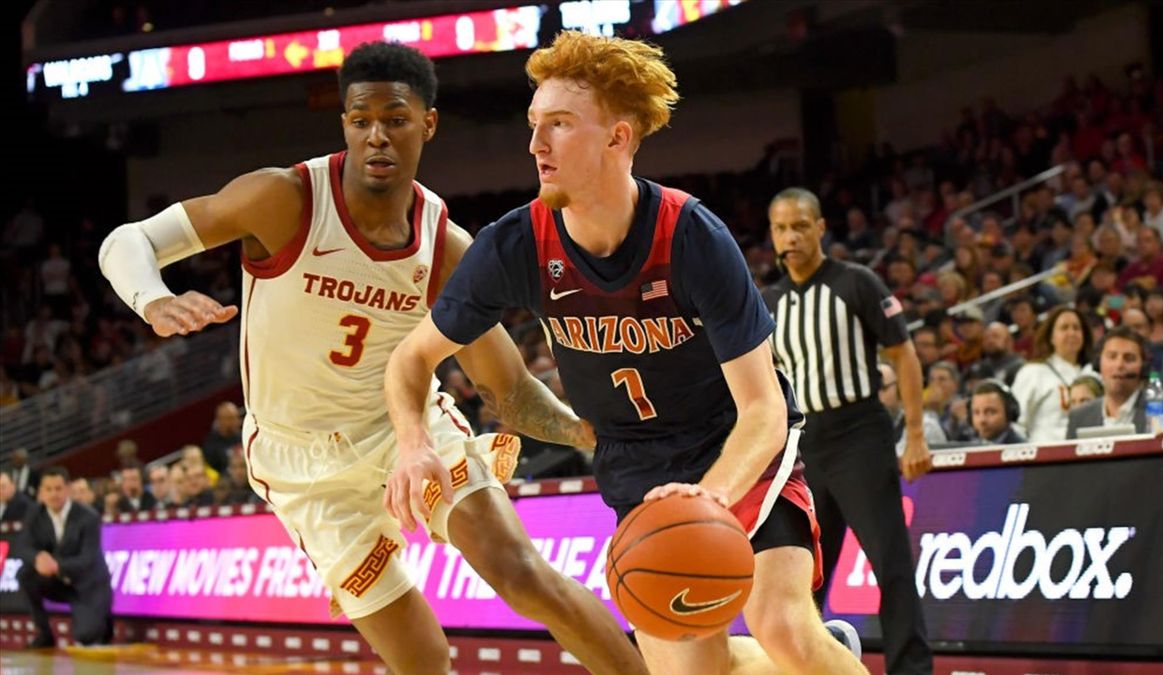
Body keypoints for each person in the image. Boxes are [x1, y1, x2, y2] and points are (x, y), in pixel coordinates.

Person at [98, 41, 646, 675]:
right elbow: (129, 240)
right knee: (422, 658)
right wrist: (152, 299)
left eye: (395, 119)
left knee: (522, 573)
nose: (377, 136)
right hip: (299, 462)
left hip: (405, 430)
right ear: (345, 126)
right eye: (361, 121)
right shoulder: (282, 199)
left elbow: (510, 389)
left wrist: (587, 432)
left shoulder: (444, 246)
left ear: (428, 124)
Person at [384, 31, 867, 675]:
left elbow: (764, 408)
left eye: (558, 125)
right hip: (634, 467)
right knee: (698, 668)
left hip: (734, 447)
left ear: (617, 137)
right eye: (534, 125)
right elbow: (410, 360)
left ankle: (817, 648)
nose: (535, 145)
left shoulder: (691, 234)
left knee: (780, 623)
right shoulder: (516, 244)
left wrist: (710, 498)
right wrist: (414, 442)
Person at [763, 188, 933, 674]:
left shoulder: (856, 283)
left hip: (860, 435)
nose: (790, 237)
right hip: (803, 446)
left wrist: (916, 433)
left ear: (820, 228)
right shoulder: (768, 302)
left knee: (891, 566)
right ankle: (811, 665)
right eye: (780, 228)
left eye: (799, 226)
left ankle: (911, 669)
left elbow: (904, 355)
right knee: (803, 578)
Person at [13, 467, 113, 647]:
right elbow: (22, 545)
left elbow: (87, 560)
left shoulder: (88, 517)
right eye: (48, 489)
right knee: (25, 574)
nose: (54, 494)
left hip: (88, 584)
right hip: (58, 583)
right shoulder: (35, 513)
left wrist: (56, 565)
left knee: (86, 636)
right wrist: (38, 557)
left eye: (58, 488)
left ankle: (103, 621)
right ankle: (43, 633)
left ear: (68, 489)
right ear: (41, 492)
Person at [1067, 326, 1163, 437]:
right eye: (1112, 356)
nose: (1119, 365)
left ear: (1143, 367)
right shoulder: (1079, 417)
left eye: (1129, 358)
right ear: (1098, 364)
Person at [1011, 306, 1093, 442]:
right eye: (1064, 328)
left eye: (1076, 328)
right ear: (1051, 337)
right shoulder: (1033, 372)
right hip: (1045, 455)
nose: (1071, 333)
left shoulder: (1094, 374)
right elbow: (1017, 422)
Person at [879, 363, 945, 456]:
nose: (877, 396)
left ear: (900, 388)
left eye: (882, 388)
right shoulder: (863, 429)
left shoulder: (926, 426)